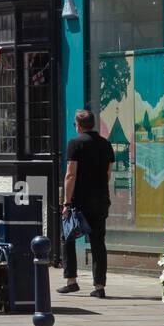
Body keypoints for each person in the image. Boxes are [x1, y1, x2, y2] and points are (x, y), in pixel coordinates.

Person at [58, 108, 116, 298]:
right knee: (98, 242)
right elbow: (108, 174)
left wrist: (66, 202)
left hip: (79, 201)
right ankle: (100, 286)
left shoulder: (75, 143)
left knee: (68, 238)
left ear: (79, 125)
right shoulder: (106, 144)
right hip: (100, 200)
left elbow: (70, 174)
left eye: (75, 124)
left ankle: (71, 280)